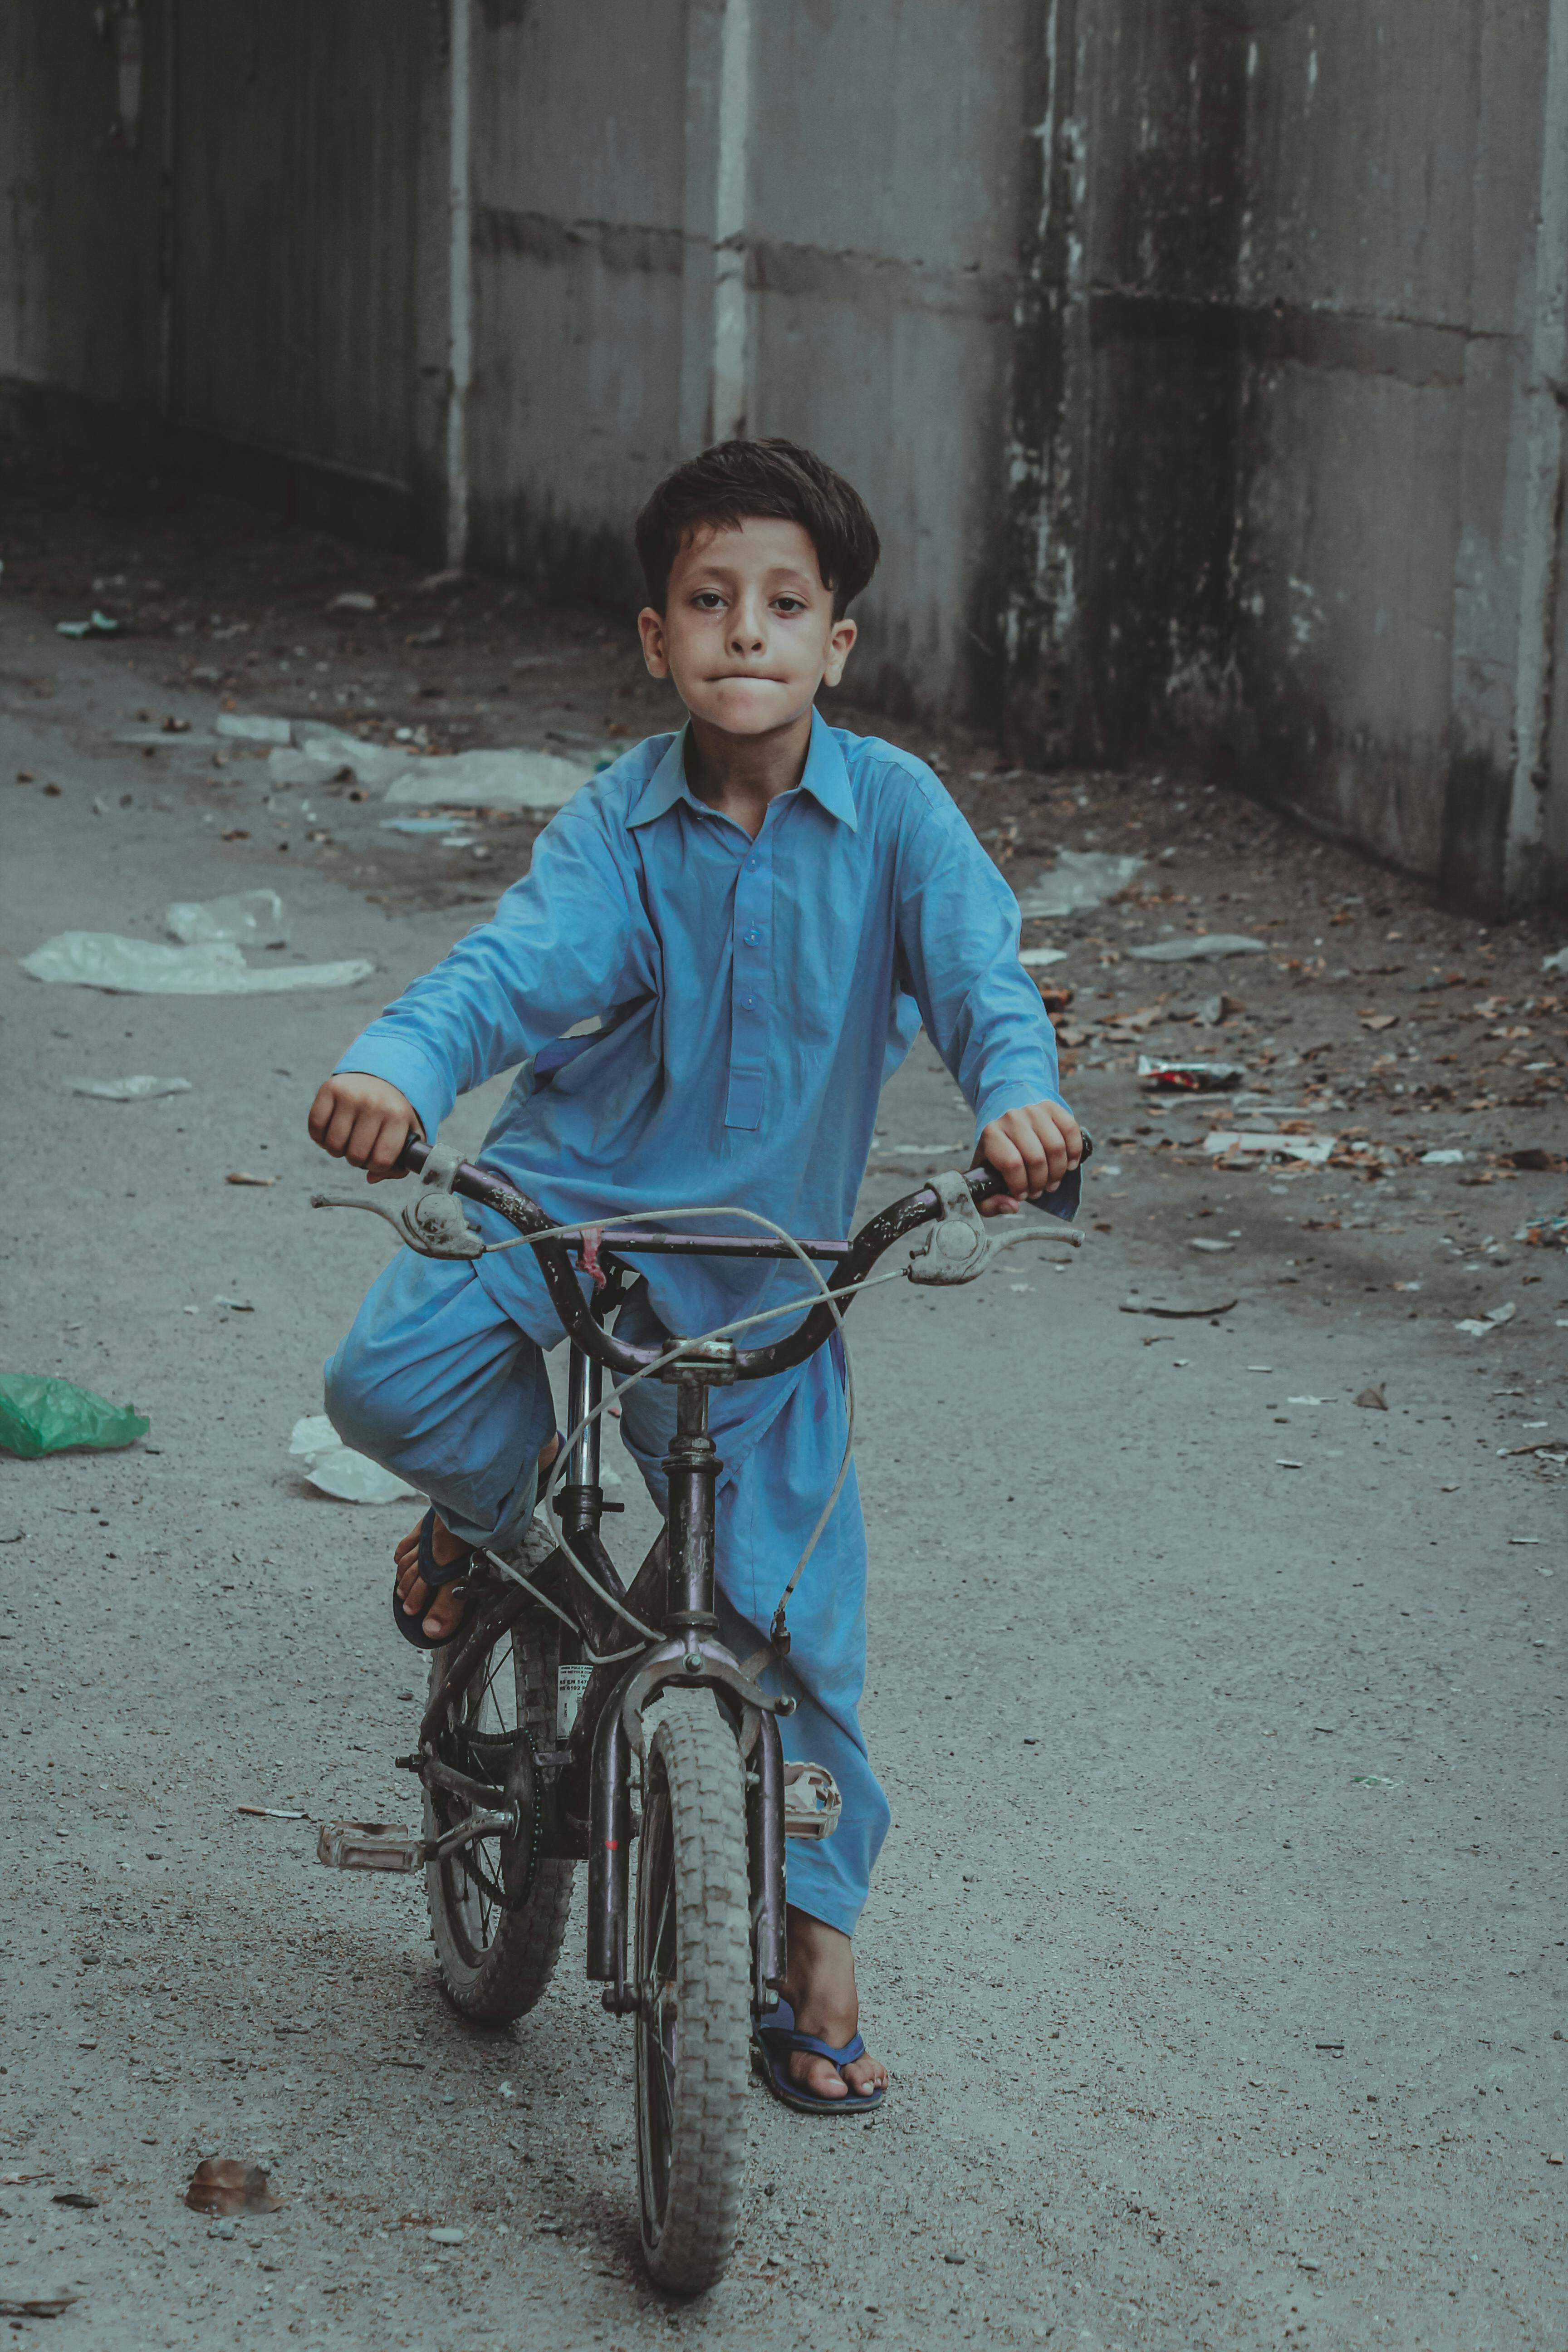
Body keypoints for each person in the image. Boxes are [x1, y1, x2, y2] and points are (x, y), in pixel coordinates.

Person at [308, 436, 1081, 2111]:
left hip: (764, 1266)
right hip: (571, 1207)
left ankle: (816, 1951)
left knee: (797, 1621)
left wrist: (1017, 1100)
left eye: (785, 605)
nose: (747, 631)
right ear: (656, 639)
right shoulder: (619, 822)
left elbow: (983, 984)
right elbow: (507, 974)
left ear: (836, 643)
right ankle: (493, 1534)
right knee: (384, 1381)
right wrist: (398, 1068)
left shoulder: (898, 817)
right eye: (710, 601)